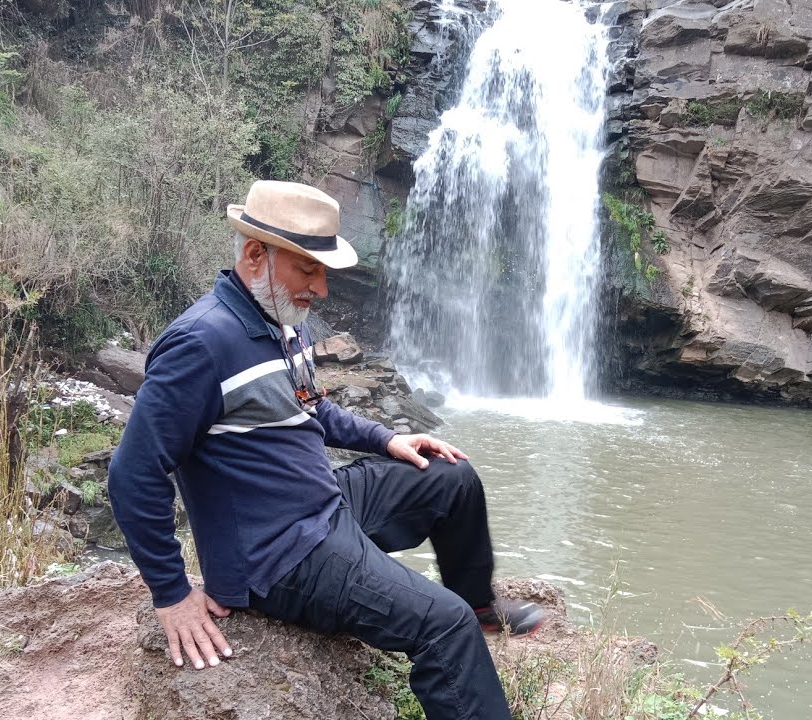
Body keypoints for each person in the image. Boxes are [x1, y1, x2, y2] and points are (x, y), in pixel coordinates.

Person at [107, 180, 542, 719]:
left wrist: (387, 438)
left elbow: (313, 410)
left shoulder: (283, 321)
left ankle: (481, 606)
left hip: (323, 503)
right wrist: (171, 594)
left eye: (323, 272)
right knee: (441, 626)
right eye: (307, 270)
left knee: (451, 476)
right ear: (253, 254)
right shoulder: (201, 343)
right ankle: (462, 626)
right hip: (280, 554)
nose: (321, 288)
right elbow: (133, 472)